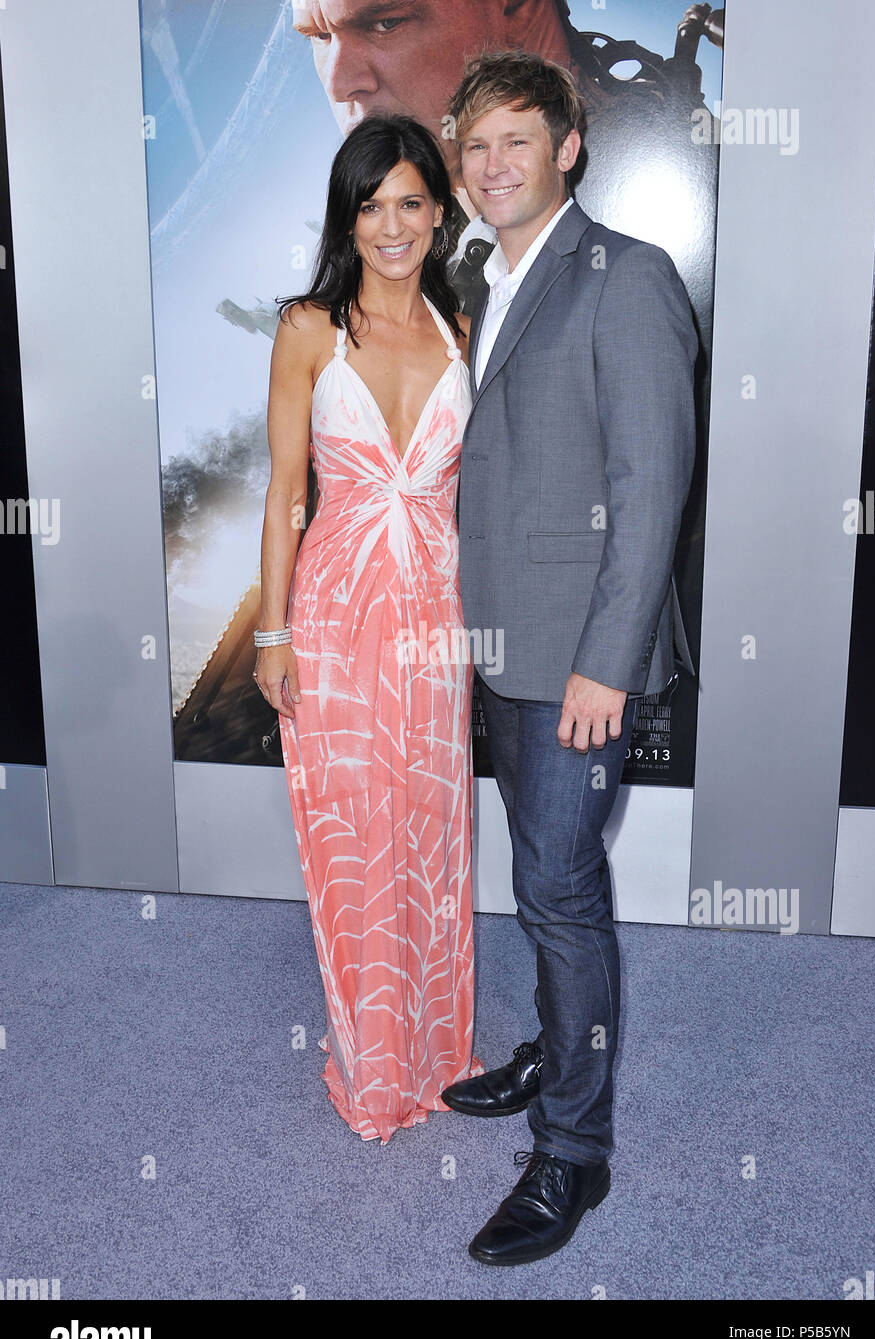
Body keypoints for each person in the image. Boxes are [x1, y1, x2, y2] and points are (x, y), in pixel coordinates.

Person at [440, 51, 698, 1264]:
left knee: (559, 893)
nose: (492, 167)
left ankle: (573, 1152)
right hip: (500, 646)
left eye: (516, 142)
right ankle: (554, 1043)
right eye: (473, 146)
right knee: (544, 881)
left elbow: (651, 489)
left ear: (568, 148)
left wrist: (608, 660)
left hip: (576, 663)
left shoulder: (626, 277)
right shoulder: (479, 283)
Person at [255, 113, 483, 1144]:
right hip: (338, 609)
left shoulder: (461, 330)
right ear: (346, 218)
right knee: (352, 833)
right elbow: (283, 493)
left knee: (431, 832)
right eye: (368, 204)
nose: (389, 226)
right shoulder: (309, 327)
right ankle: (372, 1065)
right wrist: (272, 631)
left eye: (408, 202)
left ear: (439, 211)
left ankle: (439, 1054)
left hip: (436, 611)